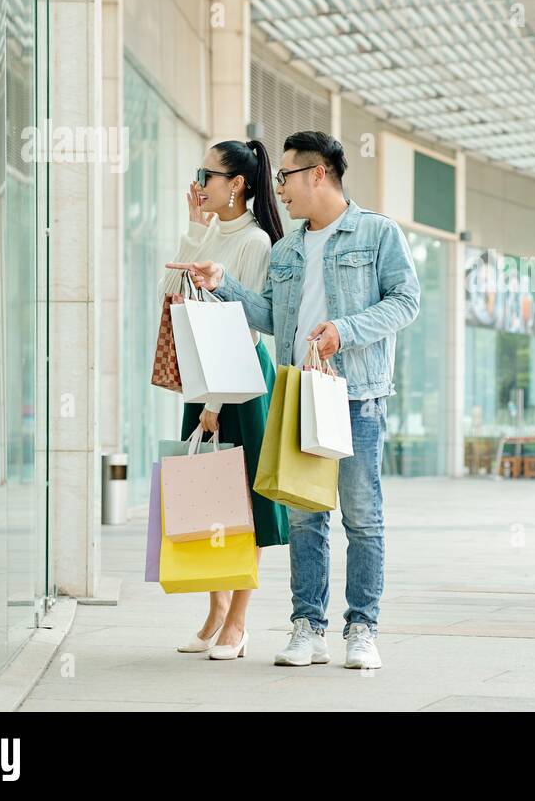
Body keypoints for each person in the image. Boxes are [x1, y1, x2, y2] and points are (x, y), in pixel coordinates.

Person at [168, 131, 420, 671]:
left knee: (362, 517)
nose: (277, 187)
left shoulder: (376, 233)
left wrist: (344, 330)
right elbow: (269, 317)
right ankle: (307, 627)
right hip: (297, 393)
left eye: (285, 177)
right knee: (306, 517)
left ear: (318, 174)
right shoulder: (287, 249)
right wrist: (224, 283)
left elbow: (406, 300)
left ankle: (362, 628)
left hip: (357, 396)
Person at [162, 139, 290, 661]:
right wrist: (194, 226)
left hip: (238, 375)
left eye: (207, 174)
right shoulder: (210, 230)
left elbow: (247, 326)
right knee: (208, 492)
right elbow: (173, 292)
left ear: (236, 184)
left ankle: (238, 619)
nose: (200, 183)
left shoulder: (256, 242)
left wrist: (215, 399)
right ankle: (214, 611)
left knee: (241, 498)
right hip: (203, 372)